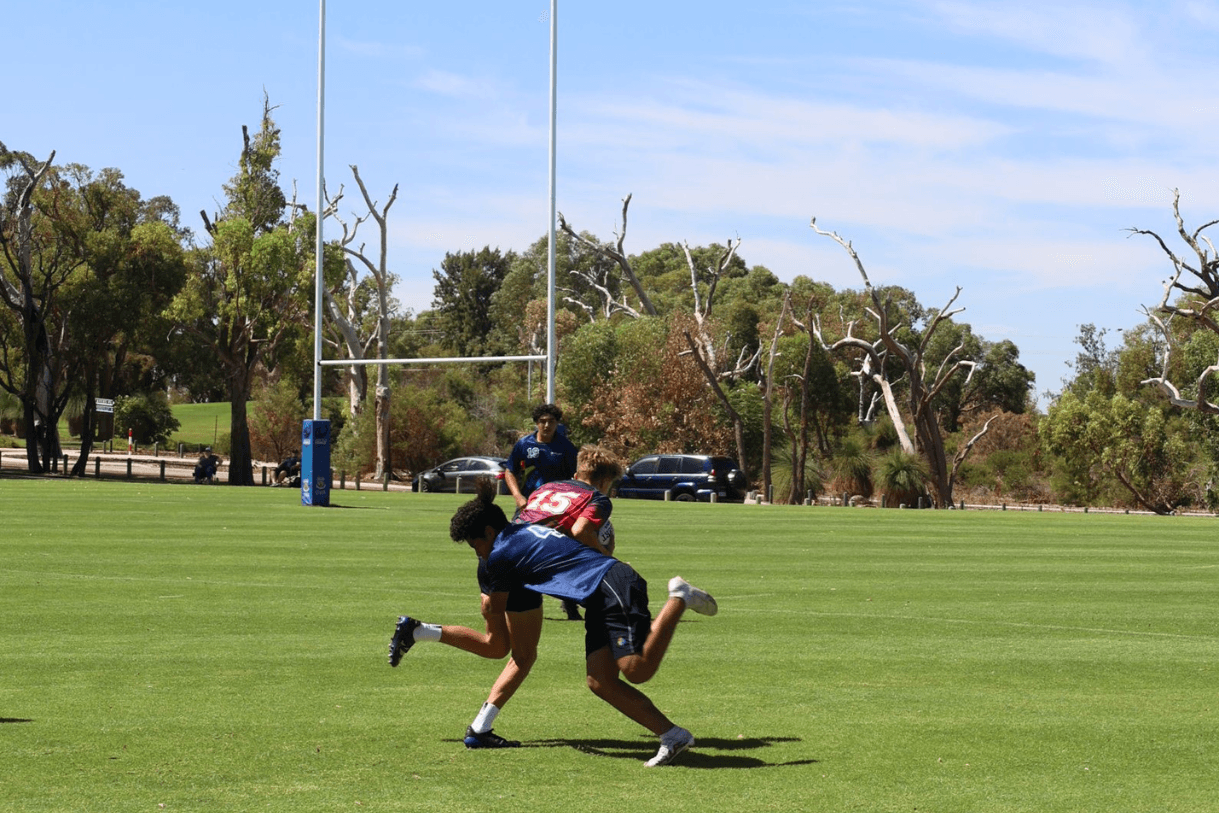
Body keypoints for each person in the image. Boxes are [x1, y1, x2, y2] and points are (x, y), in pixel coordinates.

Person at [387, 480, 717, 767]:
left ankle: (679, 597)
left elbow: (494, 617)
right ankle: (673, 736)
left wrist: (487, 602)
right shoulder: (518, 531)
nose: (478, 556)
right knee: (599, 681)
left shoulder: (499, 556)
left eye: (476, 547)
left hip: (610, 583)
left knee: (636, 669)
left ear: (489, 533)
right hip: (597, 595)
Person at [454, 446, 621, 750]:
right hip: (524, 564)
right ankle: (479, 728)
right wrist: (605, 555)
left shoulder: (548, 487)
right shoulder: (597, 498)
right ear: (605, 480)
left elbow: (533, 518)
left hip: (497, 555)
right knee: (520, 654)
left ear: (578, 471)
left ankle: (479, 725)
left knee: (499, 645)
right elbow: (582, 530)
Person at [503, 403, 581, 618]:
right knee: (513, 550)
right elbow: (510, 471)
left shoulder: (566, 447)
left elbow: (577, 477)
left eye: (551, 422)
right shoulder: (524, 444)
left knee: (565, 553)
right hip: (528, 508)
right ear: (536, 423)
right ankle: (511, 598)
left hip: (557, 511)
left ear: (557, 424)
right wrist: (518, 497)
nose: (547, 425)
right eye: (543, 421)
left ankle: (570, 601)